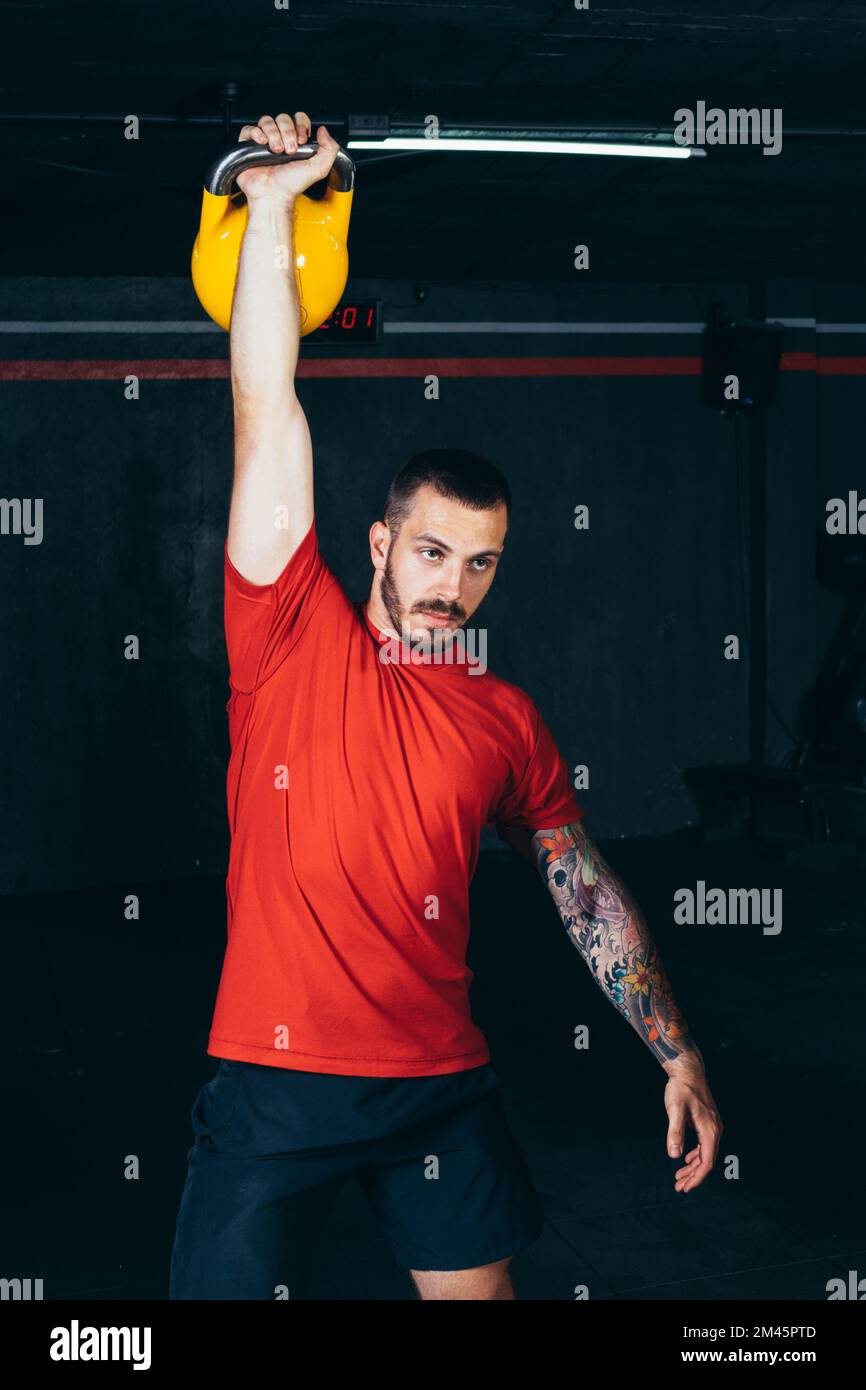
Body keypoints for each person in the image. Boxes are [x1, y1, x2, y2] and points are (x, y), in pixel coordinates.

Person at [169, 110, 723, 1302]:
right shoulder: (283, 629)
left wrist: (673, 1049)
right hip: (276, 1082)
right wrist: (271, 205)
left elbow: (581, 892)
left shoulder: (503, 718)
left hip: (438, 1085)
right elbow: (267, 404)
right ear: (376, 542)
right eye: (427, 553)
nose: (449, 584)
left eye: (478, 563)